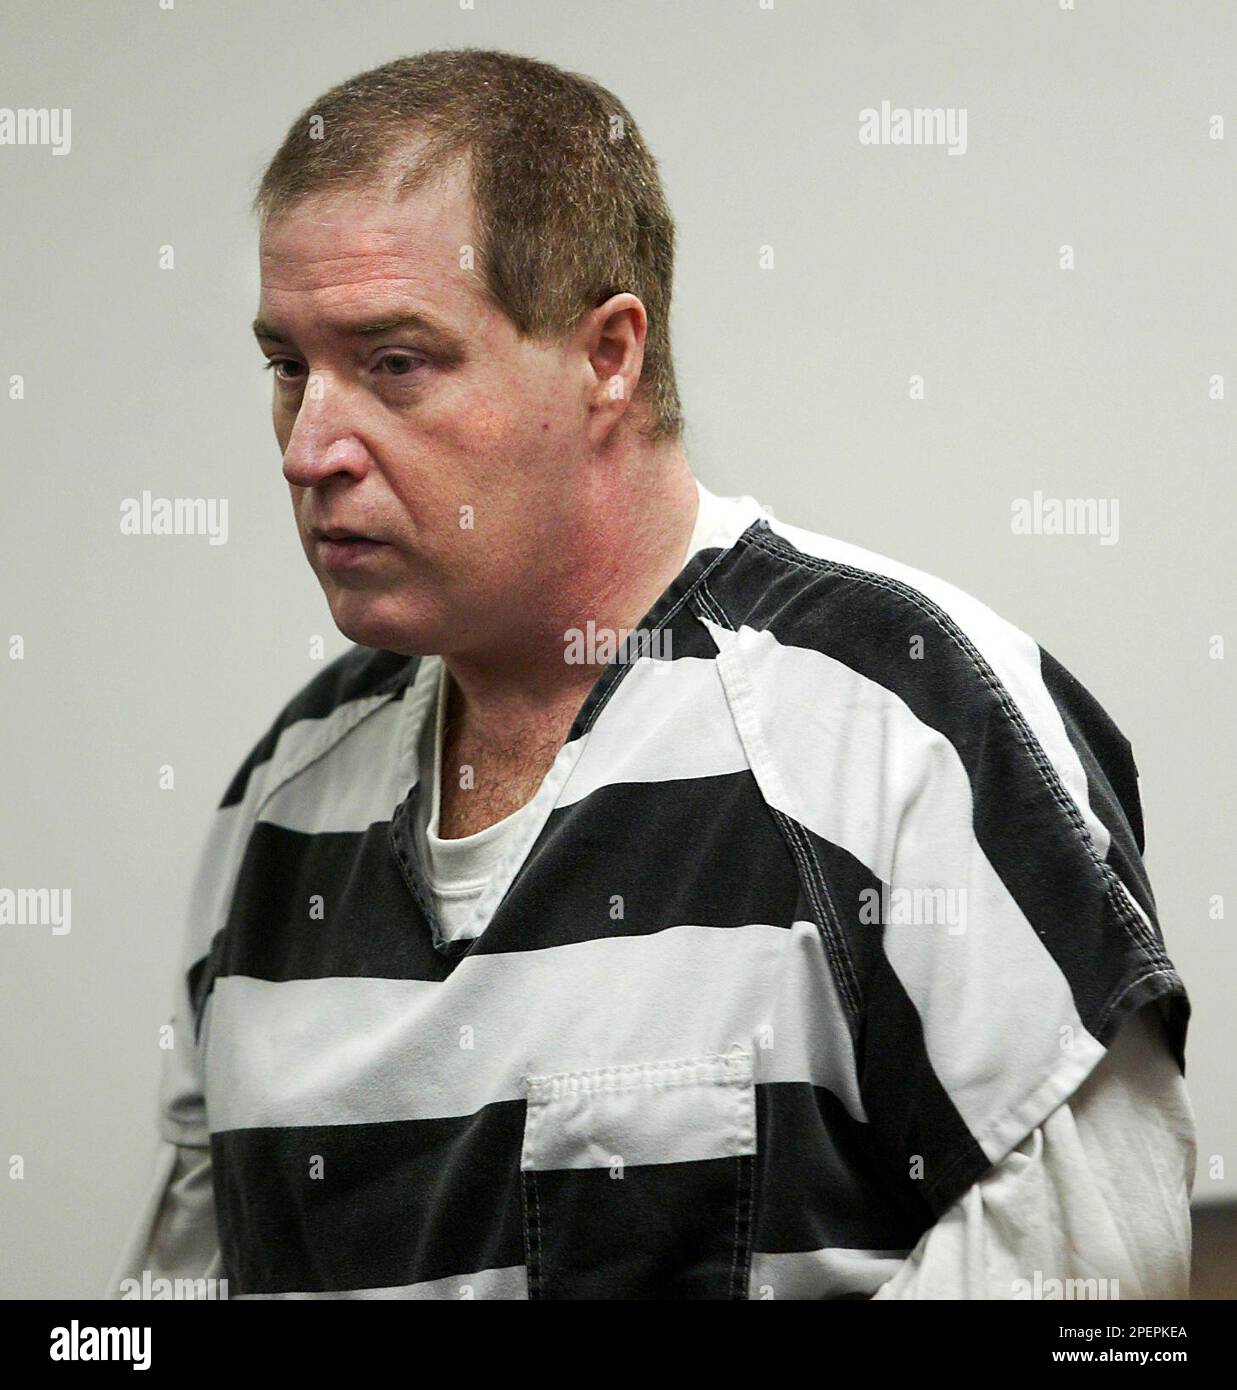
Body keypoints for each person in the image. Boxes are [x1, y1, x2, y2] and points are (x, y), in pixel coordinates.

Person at [107, 48, 1194, 1300]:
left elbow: (1102, 1281)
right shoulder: (275, 808)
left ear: (608, 355)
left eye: (394, 362)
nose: (310, 449)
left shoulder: (904, 727)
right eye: (288, 367)